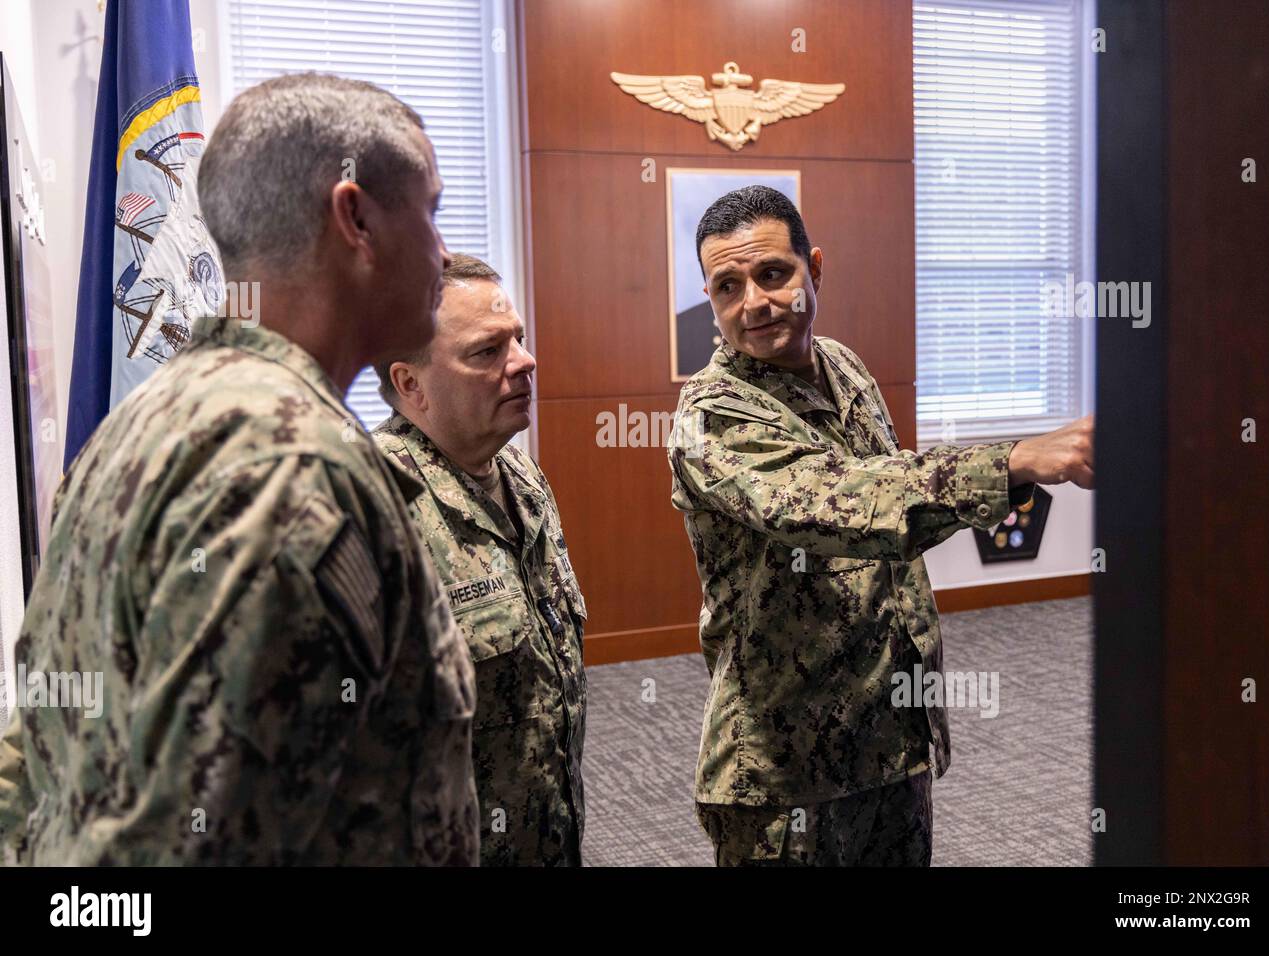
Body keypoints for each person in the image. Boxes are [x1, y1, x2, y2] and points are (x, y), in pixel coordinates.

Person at [0, 73, 478, 865]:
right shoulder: (291, 471)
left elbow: (36, 750)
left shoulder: (145, 422)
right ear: (355, 217)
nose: (444, 249)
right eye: (430, 211)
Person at [668, 185, 1094, 866]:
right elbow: (841, 505)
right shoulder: (712, 415)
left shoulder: (842, 367)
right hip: (786, 773)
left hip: (888, 736)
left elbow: (894, 489)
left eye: (773, 274)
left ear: (816, 268)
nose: (753, 302)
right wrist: (1011, 463)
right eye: (726, 286)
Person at [373, 254, 586, 866]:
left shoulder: (519, 473)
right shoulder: (372, 508)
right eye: (486, 352)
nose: (524, 361)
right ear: (410, 384)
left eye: (517, 339)